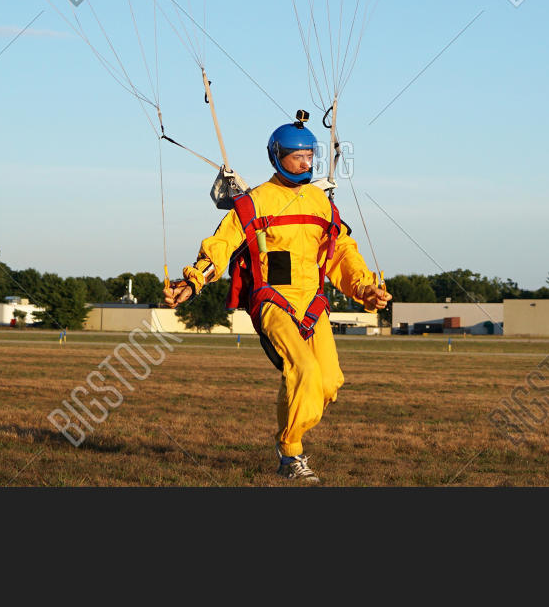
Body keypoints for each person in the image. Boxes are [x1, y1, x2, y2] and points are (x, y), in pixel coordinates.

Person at [164, 114, 391, 482]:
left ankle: (292, 434)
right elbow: (221, 246)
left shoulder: (320, 202)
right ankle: (291, 453)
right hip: (273, 302)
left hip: (312, 304)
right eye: (297, 156)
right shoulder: (255, 202)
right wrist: (192, 283)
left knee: (328, 382)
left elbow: (340, 252)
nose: (307, 162)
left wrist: (365, 287)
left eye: (310, 155)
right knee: (303, 371)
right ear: (277, 156)